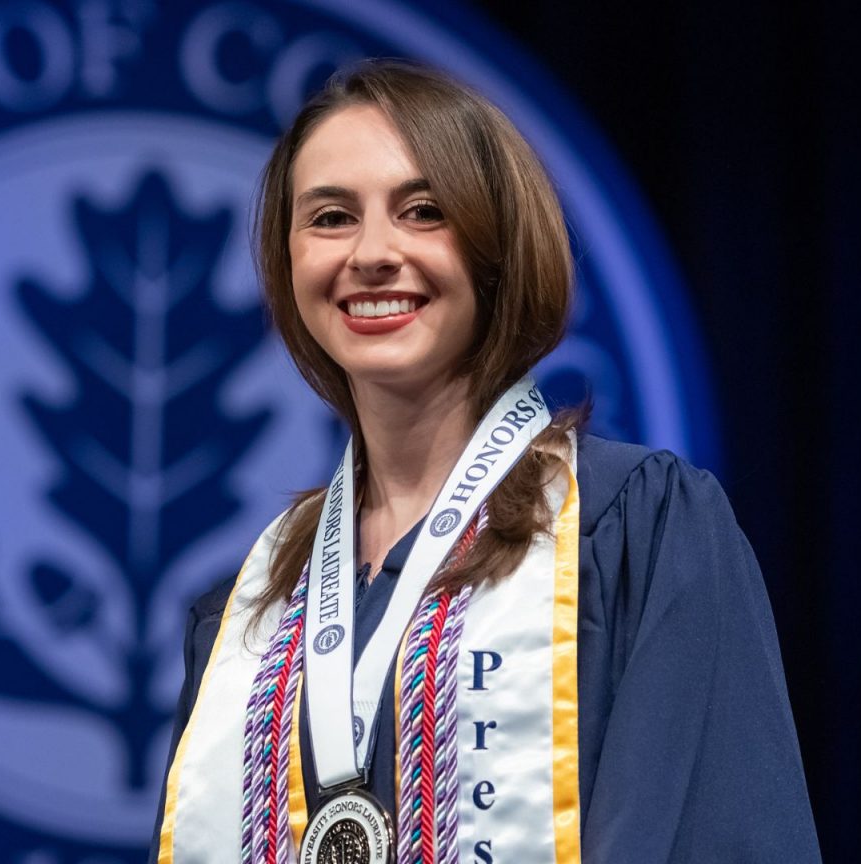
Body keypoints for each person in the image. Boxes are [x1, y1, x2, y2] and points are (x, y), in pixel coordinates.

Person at [152, 60, 820, 863]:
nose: (371, 253)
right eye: (330, 217)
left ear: (495, 246)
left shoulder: (635, 532)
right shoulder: (250, 611)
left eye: (423, 211)